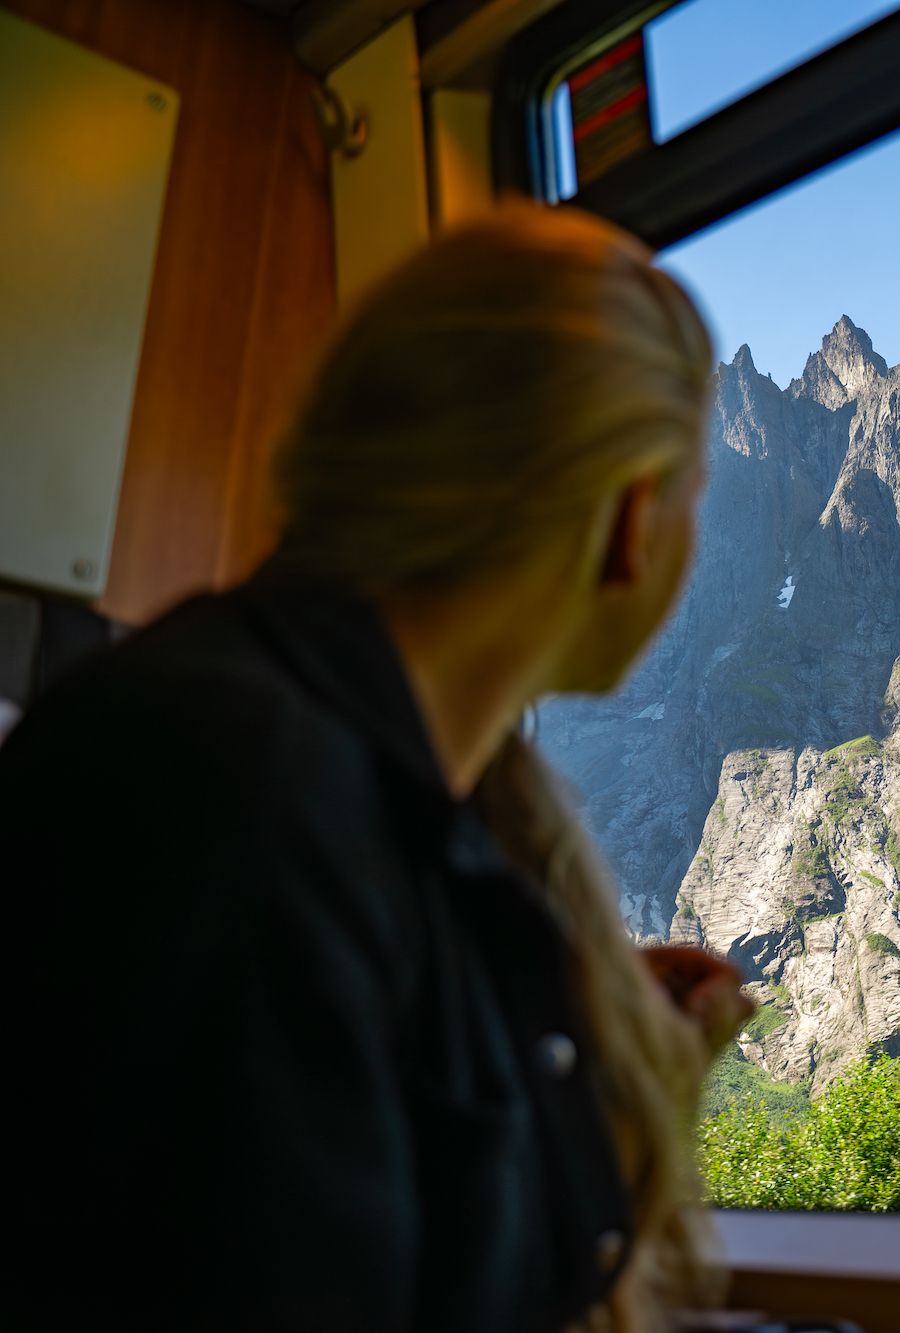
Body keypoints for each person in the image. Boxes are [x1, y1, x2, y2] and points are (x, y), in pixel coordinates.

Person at [0, 206, 751, 1332]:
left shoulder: (289, 759)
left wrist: (597, 1063)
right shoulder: (241, 798)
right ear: (630, 520)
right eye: (701, 494)